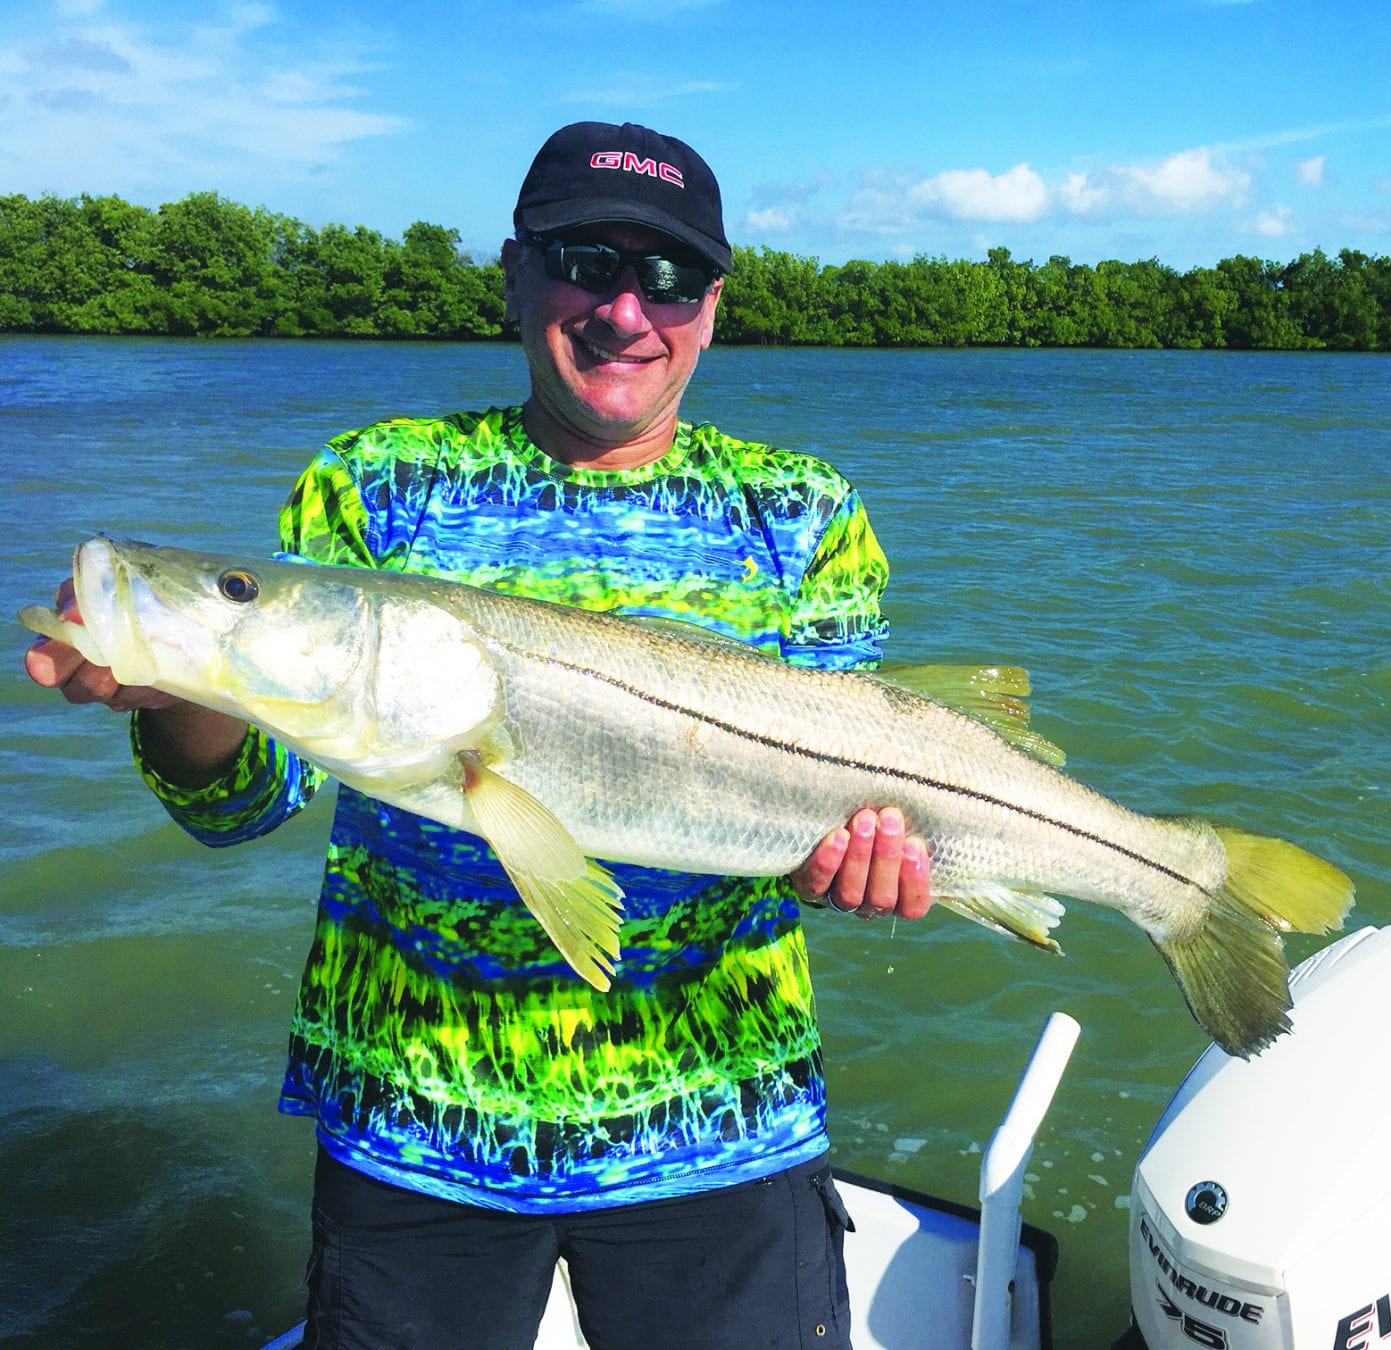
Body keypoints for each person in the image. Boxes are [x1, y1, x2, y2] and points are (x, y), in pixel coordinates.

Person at [24, 120, 932, 1349]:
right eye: (584, 260)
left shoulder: (809, 513)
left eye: (668, 276)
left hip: (723, 1118)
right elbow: (238, 807)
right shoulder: (376, 481)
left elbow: (829, 828)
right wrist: (182, 685)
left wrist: (865, 868)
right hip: (412, 1126)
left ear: (712, 308)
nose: (626, 309)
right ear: (513, 272)